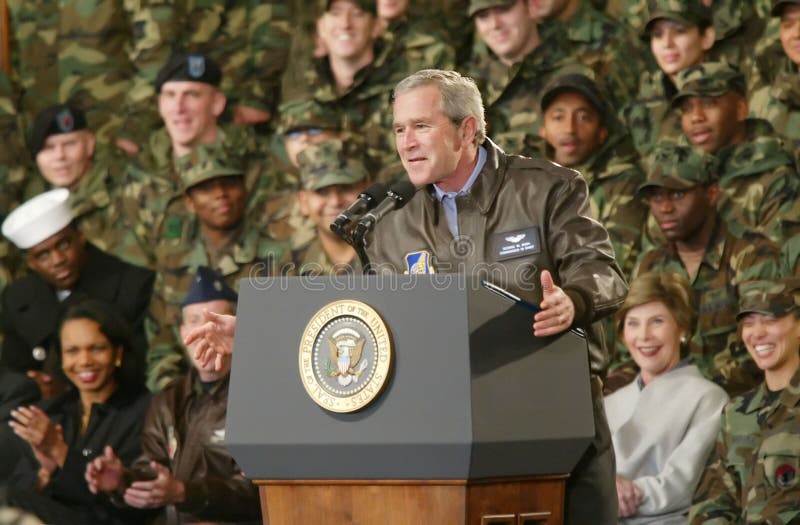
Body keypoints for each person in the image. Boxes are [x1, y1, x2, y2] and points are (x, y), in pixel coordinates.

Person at [372, 69, 627, 523]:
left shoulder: (546, 188)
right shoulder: (392, 222)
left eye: (421, 126)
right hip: (446, 433)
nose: (406, 142)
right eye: (399, 129)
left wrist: (575, 301)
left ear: (467, 129)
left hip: (556, 421)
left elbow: (602, 271)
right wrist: (257, 329)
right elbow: (360, 314)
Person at [85, 267, 261, 525]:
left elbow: (255, 490)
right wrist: (123, 480)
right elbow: (155, 470)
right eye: (194, 321)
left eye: (216, 319)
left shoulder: (256, 395)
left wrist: (183, 492)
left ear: (234, 328)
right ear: (181, 334)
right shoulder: (169, 398)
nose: (205, 331)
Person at [626, 143, 781, 395]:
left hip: (738, 406)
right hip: (665, 404)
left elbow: (762, 349)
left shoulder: (752, 255)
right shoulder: (651, 264)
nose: (665, 207)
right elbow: (628, 352)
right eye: (656, 197)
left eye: (678, 194)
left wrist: (686, 392)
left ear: (711, 194)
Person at [145, 146, 289, 390]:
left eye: (229, 183)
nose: (221, 194)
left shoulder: (279, 255)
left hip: (261, 388)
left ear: (244, 189)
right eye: (207, 187)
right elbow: (162, 349)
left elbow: (286, 337)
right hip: (191, 400)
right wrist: (181, 401)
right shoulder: (173, 264)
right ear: (189, 202)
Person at [4, 300, 152, 524]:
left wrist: (59, 450)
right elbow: (19, 492)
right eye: (72, 351)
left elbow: (132, 505)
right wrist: (46, 472)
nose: (84, 361)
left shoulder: (146, 412)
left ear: (118, 352)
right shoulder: (52, 412)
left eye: (96, 348)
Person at [0, 189, 155, 399]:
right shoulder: (17, 296)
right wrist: (31, 385)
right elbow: (11, 368)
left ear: (81, 237)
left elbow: (140, 366)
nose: (57, 260)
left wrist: (67, 388)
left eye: (63, 244)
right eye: (43, 255)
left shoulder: (132, 286)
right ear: (31, 263)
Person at [604, 272, 729, 523]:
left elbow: (684, 484)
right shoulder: (609, 403)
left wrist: (623, 495)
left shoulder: (708, 398)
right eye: (633, 323)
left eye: (657, 321)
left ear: (682, 328)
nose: (644, 336)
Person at [689, 277, 800, 524]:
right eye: (748, 323)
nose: (757, 333)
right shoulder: (736, 413)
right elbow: (712, 500)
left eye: (771, 320)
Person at [672, 61, 799, 242]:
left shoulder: (776, 178)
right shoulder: (675, 175)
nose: (696, 117)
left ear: (740, 109)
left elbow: (780, 261)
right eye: (687, 108)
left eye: (709, 104)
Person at [538, 68, 646, 277]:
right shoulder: (525, 178)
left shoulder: (623, 183)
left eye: (583, 117)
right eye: (558, 117)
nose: (570, 128)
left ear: (602, 133)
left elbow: (611, 267)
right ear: (543, 129)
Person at [25, 104, 148, 267]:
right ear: (36, 157)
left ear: (90, 144)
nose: (60, 156)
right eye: (49, 148)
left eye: (69, 144)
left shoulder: (129, 189)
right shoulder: (29, 210)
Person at [465, 0, 569, 157]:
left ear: (531, 7)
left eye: (504, 9)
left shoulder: (570, 78)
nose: (495, 24)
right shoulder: (467, 86)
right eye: (483, 16)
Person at [620, 0, 716, 159]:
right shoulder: (640, 106)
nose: (667, 44)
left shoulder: (730, 93)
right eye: (658, 35)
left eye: (679, 31)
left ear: (707, 37)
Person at [292, 139, 371, 275]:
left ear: (368, 189)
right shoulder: (288, 265)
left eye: (346, 188)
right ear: (303, 201)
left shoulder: (395, 250)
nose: (335, 201)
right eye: (322, 191)